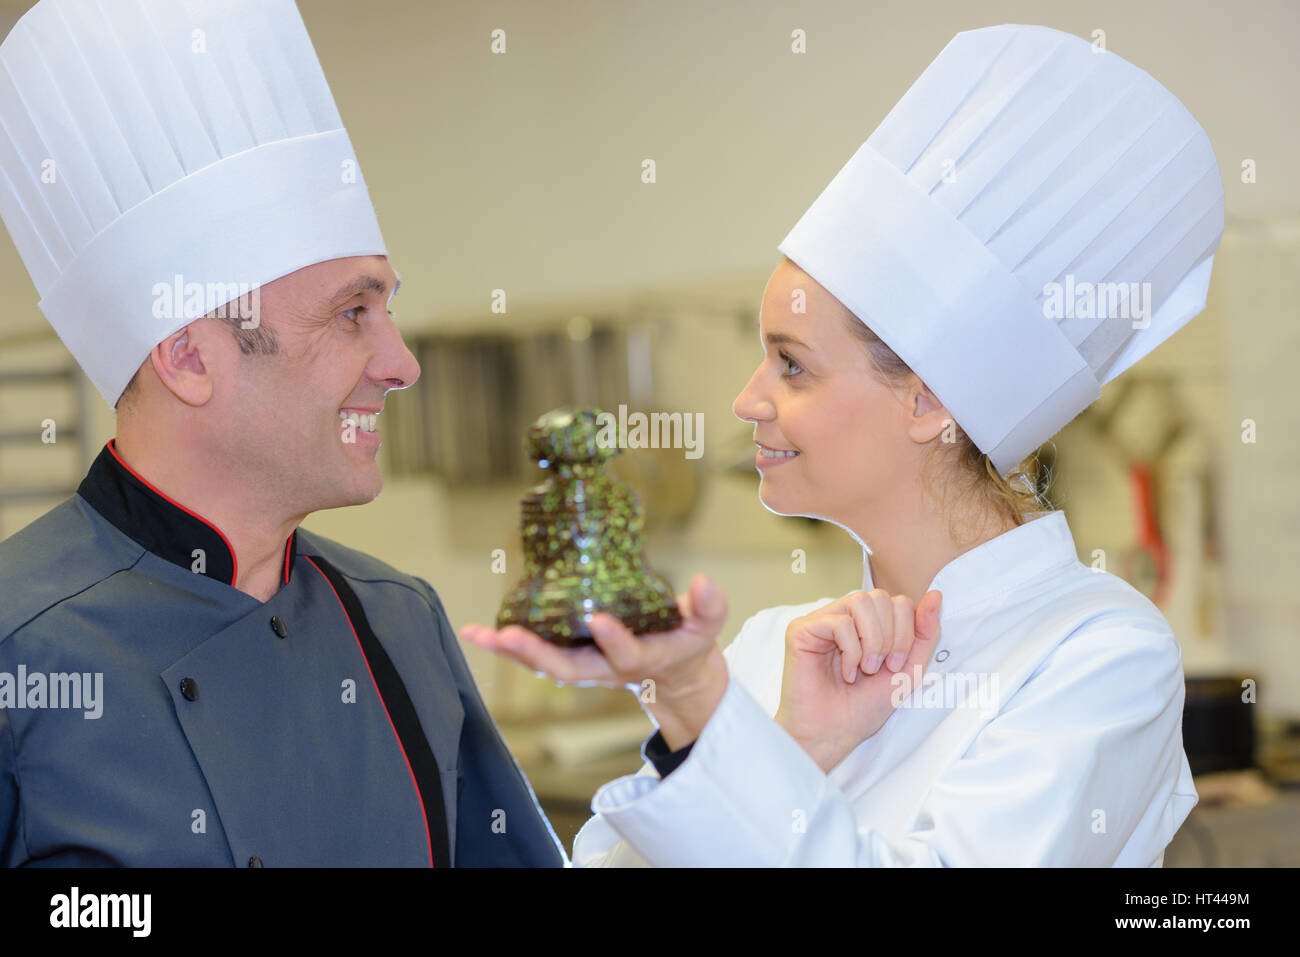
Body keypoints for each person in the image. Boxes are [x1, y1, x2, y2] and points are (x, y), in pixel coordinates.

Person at [462, 23, 1220, 866]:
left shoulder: (1098, 652)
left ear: (929, 400)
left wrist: (701, 704)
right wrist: (790, 744)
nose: (748, 400)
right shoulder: (775, 645)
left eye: (791, 366)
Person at [0, 0, 564, 867]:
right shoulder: (19, 646)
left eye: (387, 307)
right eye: (350, 314)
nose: (402, 363)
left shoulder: (400, 619)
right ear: (190, 357)